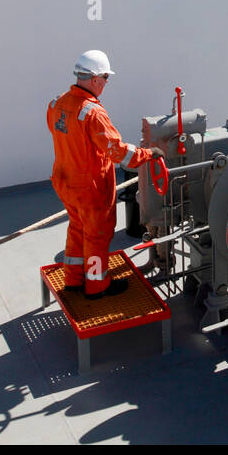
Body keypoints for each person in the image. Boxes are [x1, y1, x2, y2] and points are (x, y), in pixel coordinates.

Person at [47, 50, 157, 299]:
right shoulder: (93, 113)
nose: (106, 83)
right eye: (106, 78)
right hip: (90, 188)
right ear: (96, 78)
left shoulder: (56, 103)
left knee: (77, 228)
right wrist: (148, 153)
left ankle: (73, 280)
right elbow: (118, 152)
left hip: (64, 182)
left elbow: (58, 133)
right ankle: (97, 286)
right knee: (96, 235)